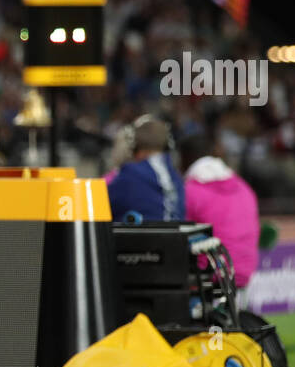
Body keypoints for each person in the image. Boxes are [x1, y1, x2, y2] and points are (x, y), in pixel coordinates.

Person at [180, 131, 260, 304]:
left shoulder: (189, 191)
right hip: (243, 278)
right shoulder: (243, 187)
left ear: (185, 158)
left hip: (209, 283)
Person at [106, 114, 185, 223]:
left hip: (143, 239)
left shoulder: (130, 174)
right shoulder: (175, 176)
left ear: (134, 147)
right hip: (176, 238)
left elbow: (101, 206)